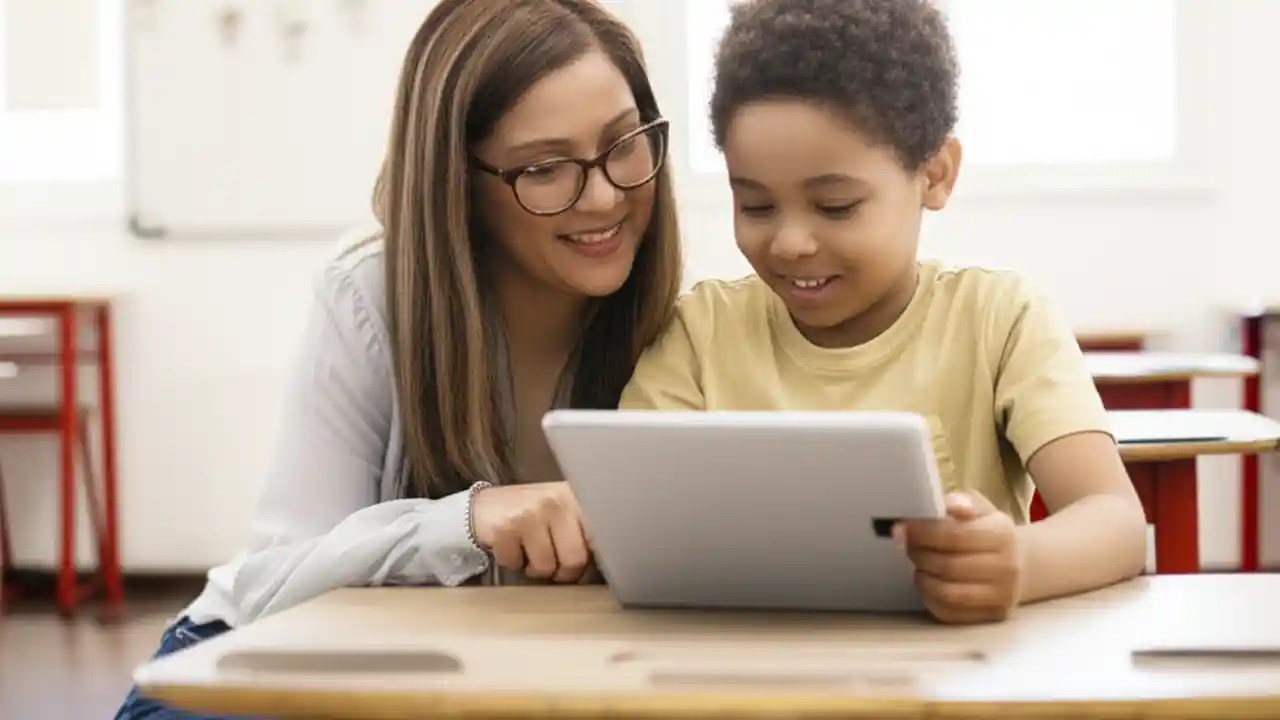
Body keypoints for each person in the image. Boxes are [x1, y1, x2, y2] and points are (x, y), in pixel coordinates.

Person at [114, 0, 681, 716]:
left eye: (625, 142)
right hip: (261, 669)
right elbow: (272, 586)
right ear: (460, 183)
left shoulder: (680, 327)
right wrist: (468, 523)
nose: (603, 195)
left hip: (481, 684)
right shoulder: (372, 292)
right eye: (545, 168)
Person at [620, 0, 1148, 625]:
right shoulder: (700, 333)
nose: (790, 242)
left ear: (935, 175)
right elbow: (628, 511)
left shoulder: (999, 318)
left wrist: (1019, 563)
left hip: (951, 678)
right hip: (748, 669)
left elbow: (1117, 522)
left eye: (836, 206)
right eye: (756, 206)